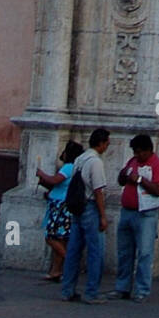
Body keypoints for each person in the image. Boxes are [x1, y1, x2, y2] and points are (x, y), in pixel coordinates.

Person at [108, 133, 159, 302]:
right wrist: (124, 175)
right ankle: (122, 287)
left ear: (149, 150)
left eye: (140, 152)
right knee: (125, 252)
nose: (137, 155)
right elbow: (121, 180)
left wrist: (140, 179)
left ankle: (142, 289)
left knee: (144, 253)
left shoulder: (157, 166)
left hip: (146, 215)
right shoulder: (133, 162)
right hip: (128, 211)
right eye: (135, 152)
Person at [61, 127, 111, 304]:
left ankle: (67, 290)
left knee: (74, 250)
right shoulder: (95, 162)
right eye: (106, 143)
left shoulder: (80, 159)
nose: (107, 147)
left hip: (77, 207)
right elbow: (98, 190)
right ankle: (91, 293)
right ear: (101, 143)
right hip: (89, 207)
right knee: (95, 252)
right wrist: (103, 216)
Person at [36, 140, 83, 282]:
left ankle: (71, 262)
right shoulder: (75, 168)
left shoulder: (68, 167)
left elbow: (55, 180)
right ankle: (56, 271)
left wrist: (41, 174)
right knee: (60, 239)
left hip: (60, 206)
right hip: (62, 203)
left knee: (51, 237)